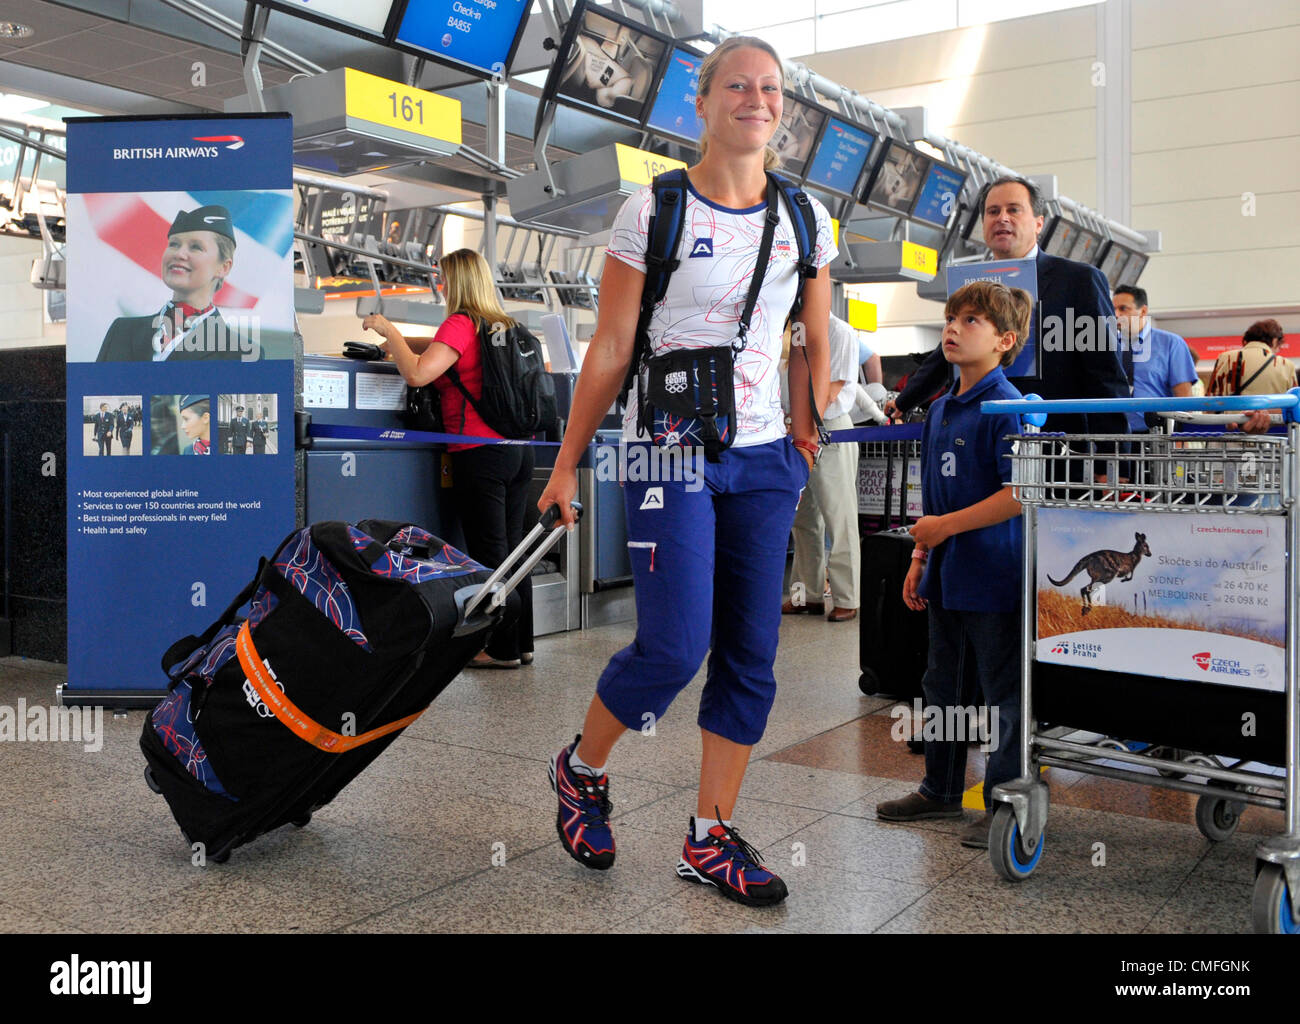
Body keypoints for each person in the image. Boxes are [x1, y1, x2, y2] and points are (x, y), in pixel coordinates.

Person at [536, 36, 835, 908]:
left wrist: (807, 432)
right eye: (736, 85)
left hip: (766, 458)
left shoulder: (806, 219)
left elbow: (815, 336)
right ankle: (582, 768)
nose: (756, 98)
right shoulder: (653, 210)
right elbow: (612, 346)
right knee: (673, 644)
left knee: (752, 653)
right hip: (667, 447)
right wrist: (565, 465)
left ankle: (710, 836)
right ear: (700, 104)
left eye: (770, 88)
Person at [875, 281, 1031, 850]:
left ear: (1005, 340)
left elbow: (1019, 494)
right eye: (951, 318)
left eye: (971, 321)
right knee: (942, 686)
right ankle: (940, 789)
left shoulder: (1007, 408)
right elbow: (934, 498)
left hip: (997, 577)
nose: (954, 328)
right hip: (946, 574)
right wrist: (921, 555)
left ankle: (1002, 803)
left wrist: (944, 530)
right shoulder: (939, 409)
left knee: (1002, 695)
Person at [361, 248, 535, 670]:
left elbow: (419, 373)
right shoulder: (503, 326)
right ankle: (521, 642)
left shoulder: (460, 323)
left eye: (442, 277)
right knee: (514, 552)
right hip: (518, 452)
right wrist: (403, 342)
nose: (438, 284)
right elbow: (444, 352)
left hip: (479, 453)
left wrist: (389, 330)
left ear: (454, 282)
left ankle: (498, 648)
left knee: (490, 553)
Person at [884, 177, 1129, 445]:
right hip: (982, 441)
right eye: (993, 211)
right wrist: (906, 399)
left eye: (1013, 209)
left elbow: (1106, 373)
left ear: (1039, 223)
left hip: (1059, 446)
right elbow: (948, 353)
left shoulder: (1079, 281)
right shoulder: (974, 287)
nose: (1002, 218)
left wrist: (1114, 461)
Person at [783, 313, 862, 621]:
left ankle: (847, 598)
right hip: (795, 430)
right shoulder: (787, 329)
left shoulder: (839, 331)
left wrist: (797, 422)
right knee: (803, 522)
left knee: (838, 518)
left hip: (830, 429)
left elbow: (831, 390)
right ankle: (807, 597)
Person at [96, 206, 247, 362]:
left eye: (196, 247)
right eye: (174, 244)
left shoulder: (239, 352)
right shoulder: (122, 332)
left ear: (223, 267)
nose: (179, 253)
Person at [1113, 284, 1197, 434]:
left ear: (1143, 311)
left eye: (1123, 309)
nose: (1116, 314)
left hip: (1156, 436)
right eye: (1113, 309)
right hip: (1114, 434)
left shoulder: (1171, 344)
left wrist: (1179, 436)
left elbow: (1184, 397)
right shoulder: (1108, 346)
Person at [1208, 319, 1295, 433]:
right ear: (1274, 341)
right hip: (1271, 439)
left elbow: (1209, 405)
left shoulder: (1226, 358)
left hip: (1229, 435)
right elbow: (1294, 408)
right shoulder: (1286, 365)